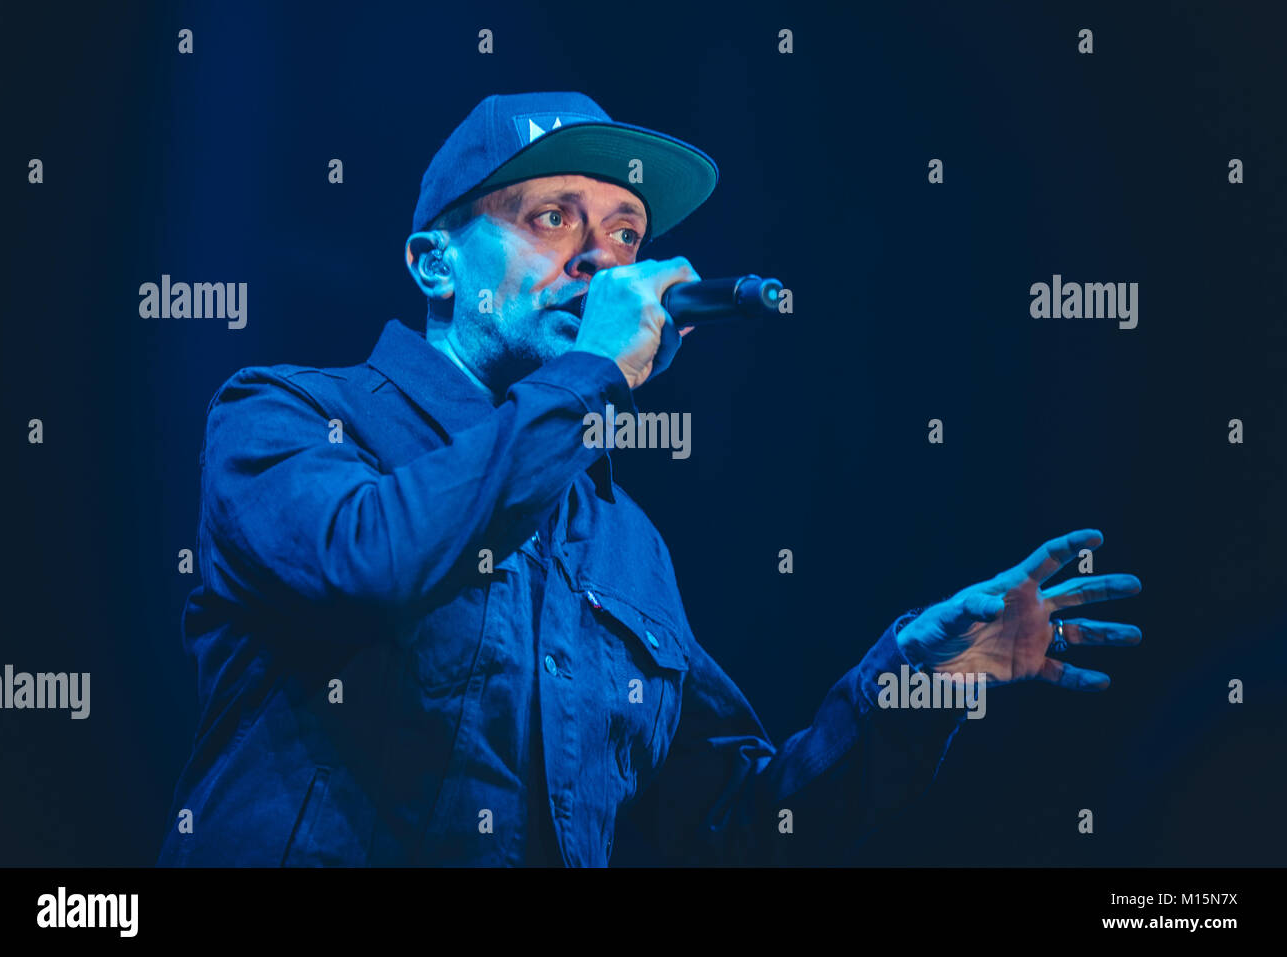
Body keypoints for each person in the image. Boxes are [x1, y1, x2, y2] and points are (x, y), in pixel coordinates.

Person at [156, 92, 1143, 866]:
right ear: (433, 264)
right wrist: (591, 376)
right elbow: (369, 565)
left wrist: (912, 689)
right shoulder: (285, 416)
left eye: (626, 231)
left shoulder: (623, 546)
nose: (600, 256)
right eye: (552, 217)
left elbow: (735, 836)